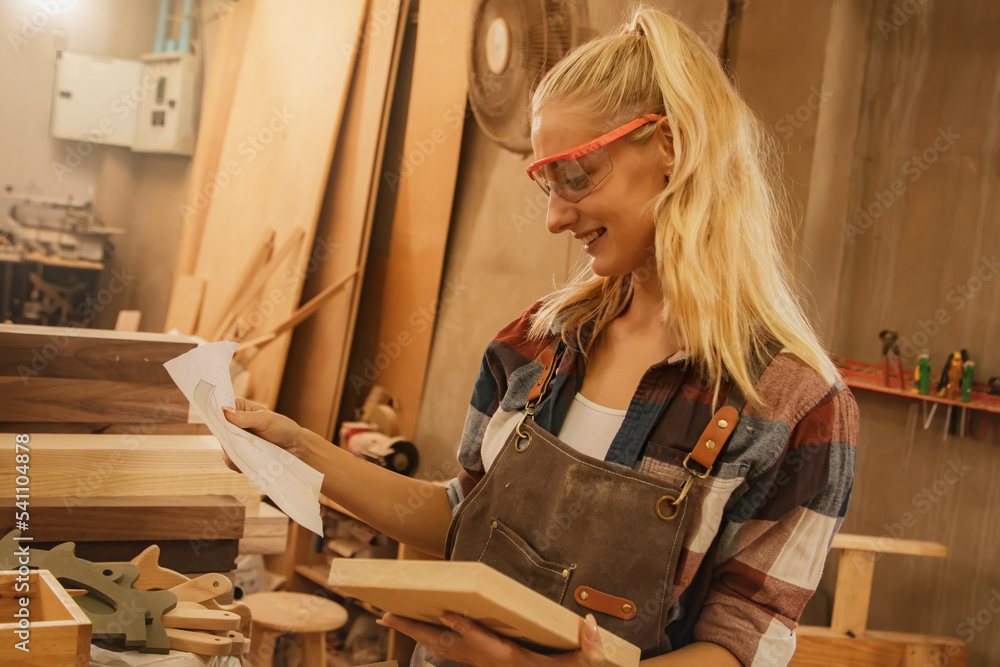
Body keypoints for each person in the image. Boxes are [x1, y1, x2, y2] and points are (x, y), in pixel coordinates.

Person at [223, 7, 858, 666]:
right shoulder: (536, 344)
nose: (555, 218)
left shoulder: (795, 406)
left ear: (669, 146)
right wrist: (296, 445)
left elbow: (741, 642)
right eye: (546, 183)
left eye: (576, 177)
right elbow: (460, 512)